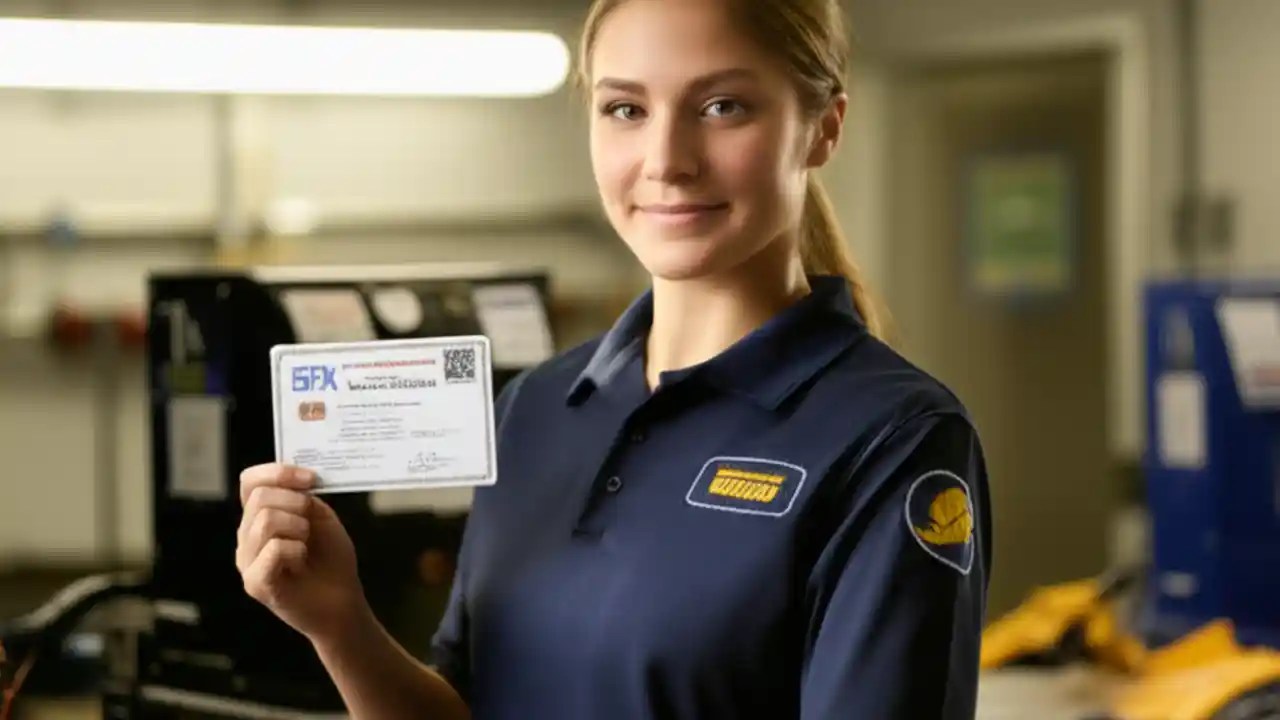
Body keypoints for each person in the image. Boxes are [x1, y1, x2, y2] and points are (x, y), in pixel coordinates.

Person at [234, 0, 993, 717]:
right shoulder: (534, 407)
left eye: (722, 106)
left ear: (824, 127)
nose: (666, 160)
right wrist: (339, 624)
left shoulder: (892, 437)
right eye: (626, 109)